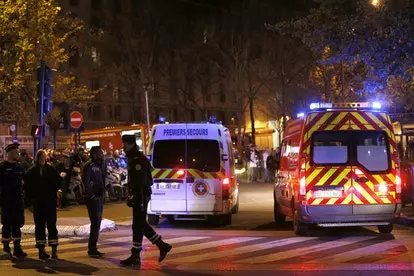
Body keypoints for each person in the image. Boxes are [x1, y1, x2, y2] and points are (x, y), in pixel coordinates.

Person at [120, 134, 172, 267]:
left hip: (141, 196)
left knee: (138, 225)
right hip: (140, 195)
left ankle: (138, 255)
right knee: (139, 224)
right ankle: (160, 246)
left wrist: (135, 196)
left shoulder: (137, 159)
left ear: (131, 144)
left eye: (125, 144)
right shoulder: (134, 157)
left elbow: (140, 182)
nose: (123, 147)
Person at [25, 150, 61, 260]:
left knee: (52, 226)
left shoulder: (51, 170)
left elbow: (57, 183)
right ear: (37, 158)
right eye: (40, 157)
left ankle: (54, 251)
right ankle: (41, 251)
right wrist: (29, 203)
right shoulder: (31, 171)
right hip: (38, 203)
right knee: (39, 227)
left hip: (49, 203)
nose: (42, 159)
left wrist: (56, 196)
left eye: (43, 157)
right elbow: (28, 188)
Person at [0, 143, 27, 258]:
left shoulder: (20, 167)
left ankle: (17, 248)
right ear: (10, 153)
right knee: (6, 225)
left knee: (17, 224)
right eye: (16, 152)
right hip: (6, 202)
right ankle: (6, 248)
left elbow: (26, 183)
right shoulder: (2, 167)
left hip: (18, 201)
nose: (18, 154)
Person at [82, 146, 106, 258]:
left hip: (99, 198)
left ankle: (94, 248)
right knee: (95, 223)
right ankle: (92, 249)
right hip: (93, 199)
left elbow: (103, 179)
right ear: (95, 154)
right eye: (100, 152)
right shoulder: (89, 165)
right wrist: (91, 195)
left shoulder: (101, 164)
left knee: (97, 224)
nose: (102, 154)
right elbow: (85, 183)